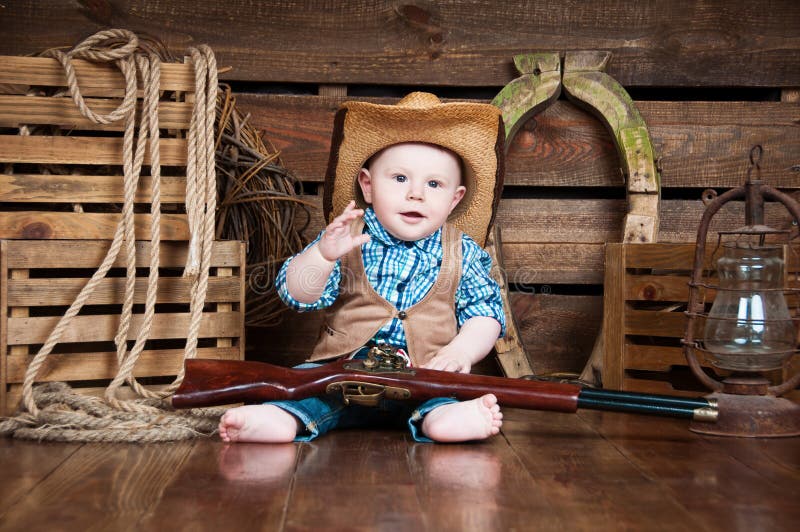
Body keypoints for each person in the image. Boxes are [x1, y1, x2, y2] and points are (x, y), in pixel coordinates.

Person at [219, 92, 507, 443]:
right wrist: (322, 256)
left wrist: (461, 351)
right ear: (368, 186)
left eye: (434, 184)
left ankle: (445, 417)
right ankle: (281, 418)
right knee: (306, 390)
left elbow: (485, 313)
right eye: (399, 178)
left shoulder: (463, 252)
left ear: (454, 199)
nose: (416, 194)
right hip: (340, 371)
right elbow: (297, 296)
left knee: (440, 395)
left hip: (424, 373)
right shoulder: (345, 238)